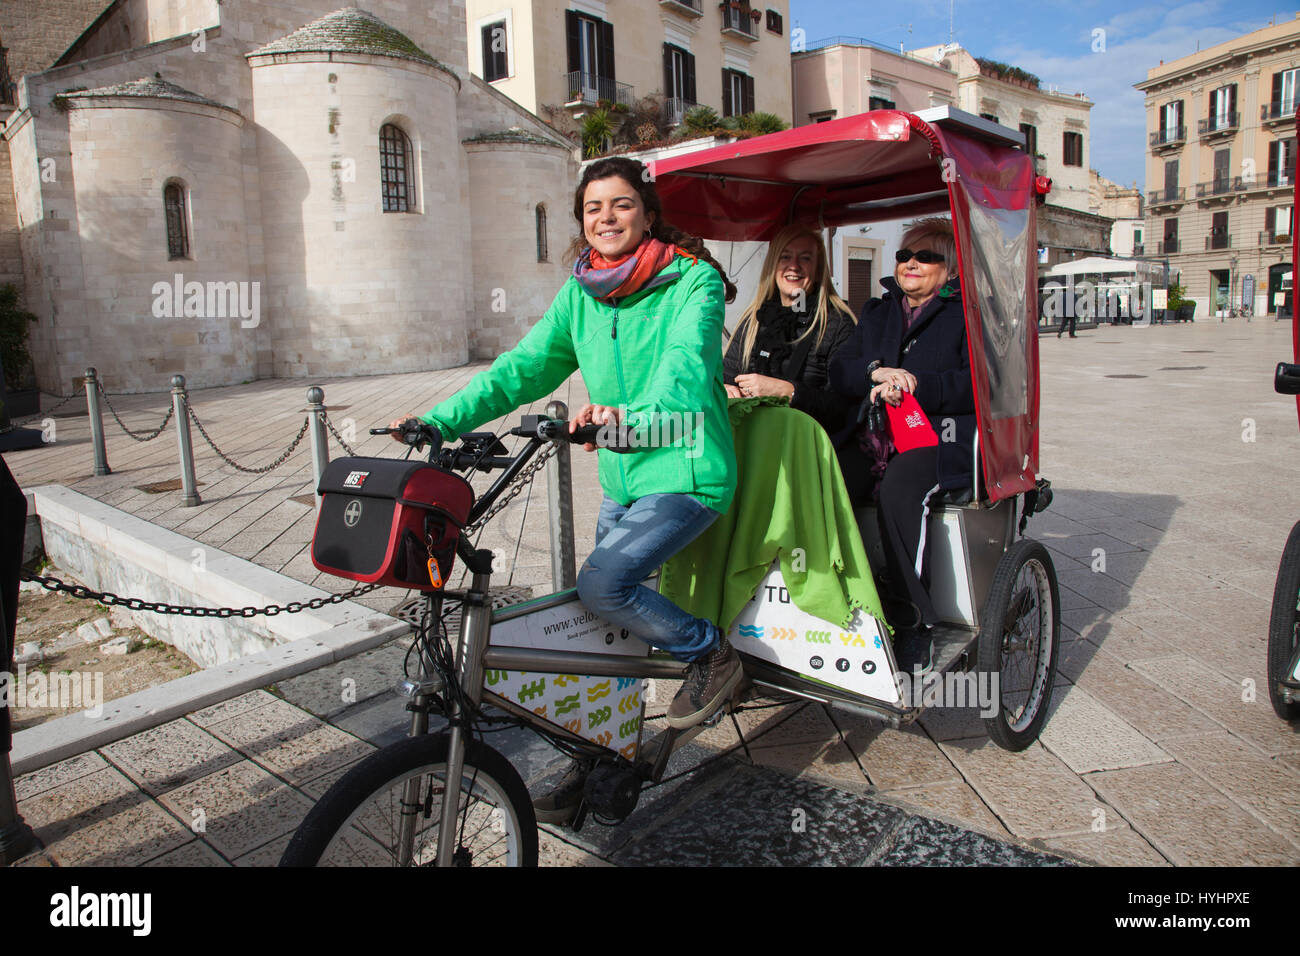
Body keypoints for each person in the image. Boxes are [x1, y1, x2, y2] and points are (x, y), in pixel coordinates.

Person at [391, 156, 744, 737]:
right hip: (622, 477)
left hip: (687, 468)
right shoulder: (581, 292)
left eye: (622, 204)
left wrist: (627, 418)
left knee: (603, 585)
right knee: (606, 624)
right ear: (582, 222)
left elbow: (685, 368)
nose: (607, 218)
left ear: (648, 214)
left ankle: (711, 655)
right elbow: (524, 368)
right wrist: (439, 421)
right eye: (593, 208)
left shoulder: (694, 280)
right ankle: (608, 746)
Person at [829, 218, 976, 675]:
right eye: (905, 255)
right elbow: (841, 370)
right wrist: (876, 372)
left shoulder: (965, 317)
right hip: (873, 435)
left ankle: (913, 616)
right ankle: (837, 596)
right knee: (824, 478)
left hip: (935, 438)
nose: (912, 262)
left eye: (927, 256)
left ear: (949, 270)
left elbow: (977, 386)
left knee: (899, 492)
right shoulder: (877, 310)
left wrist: (916, 387)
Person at [722, 224, 856, 432]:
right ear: (772, 266)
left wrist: (789, 391)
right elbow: (725, 376)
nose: (794, 266)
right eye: (785, 257)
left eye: (805, 258)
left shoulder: (837, 323)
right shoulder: (753, 320)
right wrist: (725, 389)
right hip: (754, 442)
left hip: (806, 448)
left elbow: (844, 408)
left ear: (818, 269)